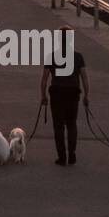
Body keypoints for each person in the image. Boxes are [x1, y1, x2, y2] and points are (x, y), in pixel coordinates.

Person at [40, 25, 89, 166]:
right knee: (72, 125)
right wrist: (86, 96)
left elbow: (44, 79)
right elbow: (85, 78)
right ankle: (72, 154)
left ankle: (62, 157)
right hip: (73, 93)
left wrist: (43, 96)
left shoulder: (51, 56)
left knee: (58, 126)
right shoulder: (78, 57)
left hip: (57, 94)